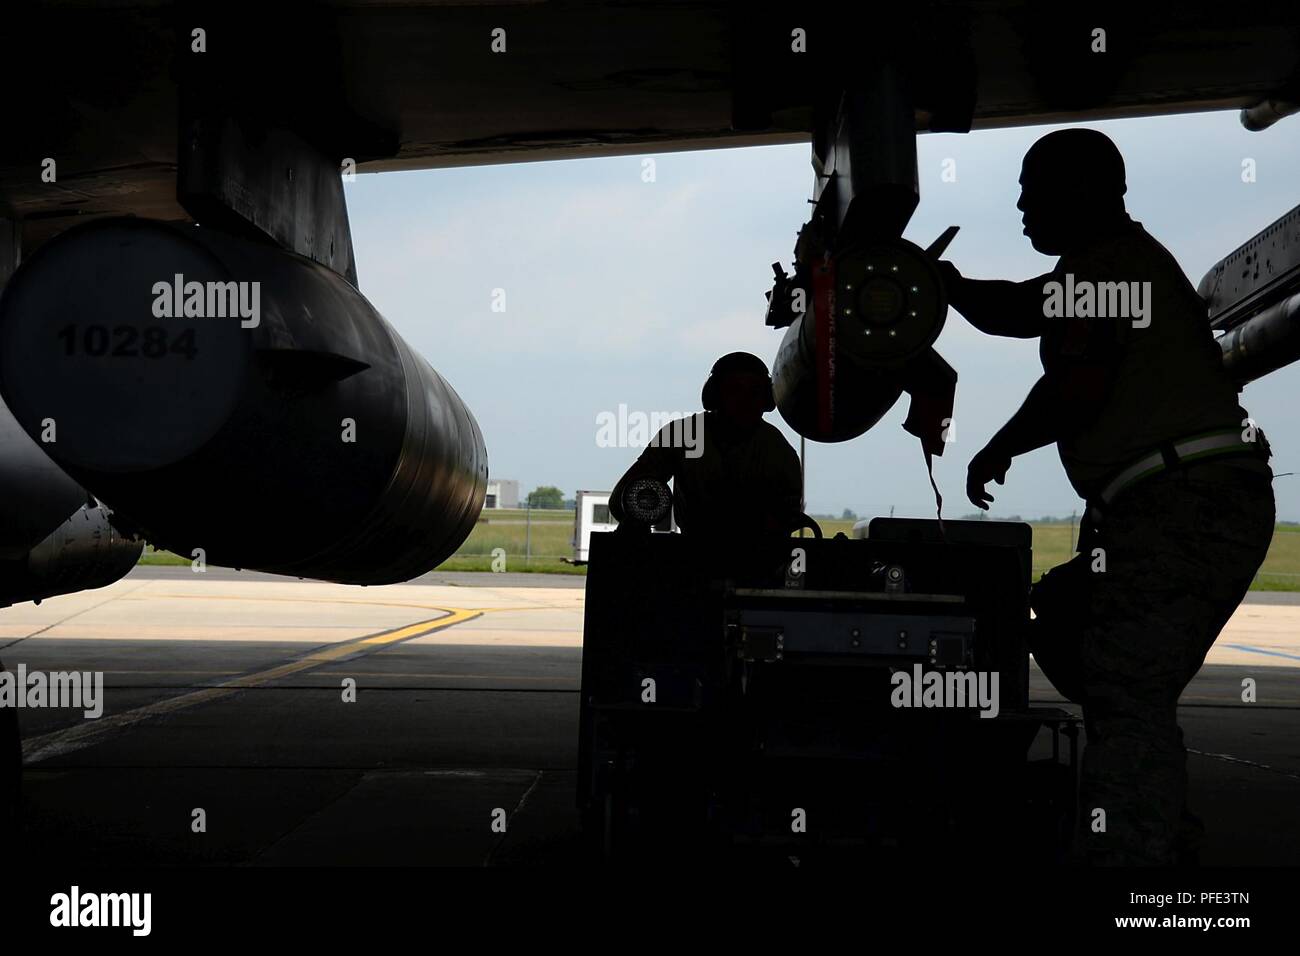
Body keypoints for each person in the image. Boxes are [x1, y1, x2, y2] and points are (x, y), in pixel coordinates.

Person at [939, 128, 1275, 866]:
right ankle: (1160, 836)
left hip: (1183, 501)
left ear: (1082, 191)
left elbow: (1068, 380)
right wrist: (959, 295)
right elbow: (1034, 321)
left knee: (1126, 688)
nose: (1021, 205)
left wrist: (946, 291)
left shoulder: (1112, 267)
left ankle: (1131, 860)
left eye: (1033, 189)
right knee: (1083, 639)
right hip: (1177, 502)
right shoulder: (1106, 273)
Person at [608, 351, 803, 547]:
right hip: (692, 557)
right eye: (734, 390)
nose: (745, 400)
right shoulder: (681, 435)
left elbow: (787, 518)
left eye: (754, 392)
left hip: (754, 560)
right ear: (715, 395)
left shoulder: (778, 451)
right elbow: (621, 500)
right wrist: (636, 522)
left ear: (766, 399)